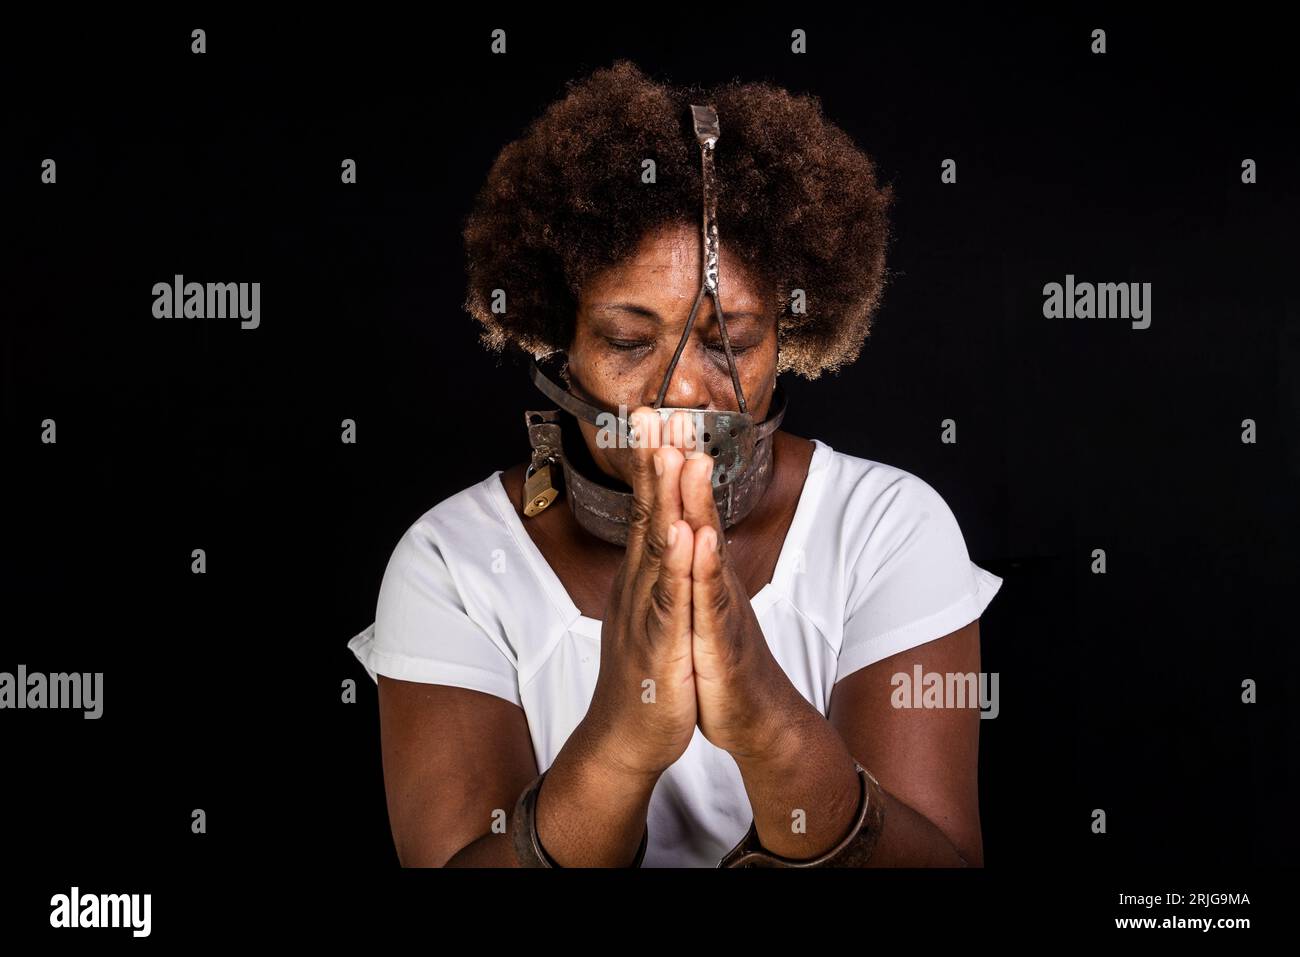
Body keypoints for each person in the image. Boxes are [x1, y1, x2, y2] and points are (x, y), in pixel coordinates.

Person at [348, 60, 1002, 867]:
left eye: (735, 340)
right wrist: (623, 736)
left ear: (789, 338)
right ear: (564, 343)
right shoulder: (451, 560)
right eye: (628, 341)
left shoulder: (888, 528)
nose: (684, 393)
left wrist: (763, 715)